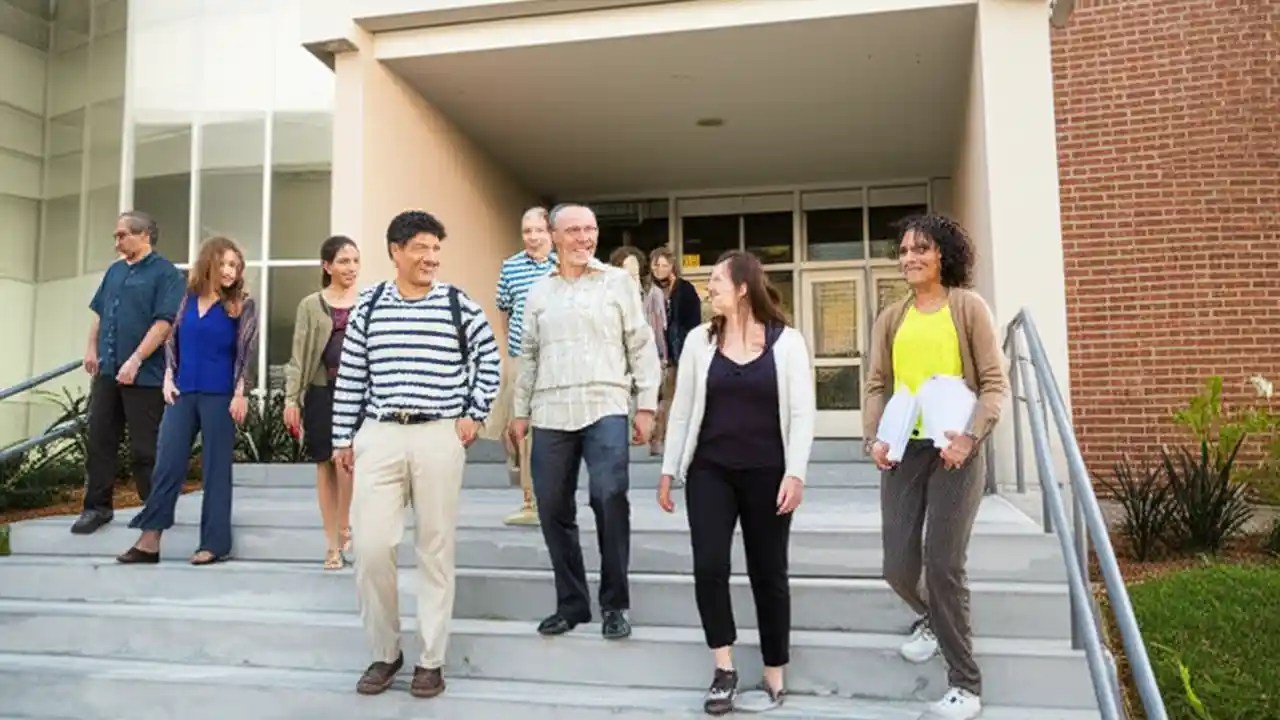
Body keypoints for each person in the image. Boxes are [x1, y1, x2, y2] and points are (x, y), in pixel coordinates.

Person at [331, 210, 501, 700]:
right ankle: (386, 652)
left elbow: (488, 359)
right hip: (380, 433)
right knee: (370, 547)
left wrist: (474, 413)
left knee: (435, 549)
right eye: (421, 248)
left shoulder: (457, 303)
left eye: (436, 249)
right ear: (396, 251)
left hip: (438, 434)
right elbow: (352, 374)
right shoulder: (369, 305)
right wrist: (343, 438)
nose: (431, 258)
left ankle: (431, 660)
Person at [862, 214, 1008, 720]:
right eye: (904, 251)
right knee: (898, 568)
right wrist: (873, 439)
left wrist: (970, 438)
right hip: (905, 450)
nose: (909, 258)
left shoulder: (968, 308)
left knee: (944, 564)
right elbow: (876, 383)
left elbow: (994, 383)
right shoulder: (891, 317)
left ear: (943, 254)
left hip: (956, 451)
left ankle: (965, 683)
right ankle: (931, 617)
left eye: (920, 249)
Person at [656, 250, 814, 715]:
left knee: (769, 572)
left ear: (744, 288)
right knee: (709, 566)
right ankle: (723, 668)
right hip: (710, 471)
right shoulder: (699, 341)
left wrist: (796, 472)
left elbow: (803, 414)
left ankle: (773, 671)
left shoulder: (787, 343)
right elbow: (682, 409)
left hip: (769, 473)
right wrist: (669, 469)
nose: (709, 288)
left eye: (717, 281)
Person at [509, 203, 662, 641]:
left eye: (590, 229)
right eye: (573, 230)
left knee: (609, 496)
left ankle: (615, 604)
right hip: (551, 409)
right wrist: (520, 411)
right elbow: (529, 354)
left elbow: (640, 344)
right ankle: (572, 603)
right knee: (552, 506)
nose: (584, 238)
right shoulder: (539, 292)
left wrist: (646, 405)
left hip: (605, 403)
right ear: (555, 237)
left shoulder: (617, 283)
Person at [115, 236, 258, 565]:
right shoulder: (187, 298)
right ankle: (149, 541)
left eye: (235, 266)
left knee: (216, 470)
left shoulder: (242, 305)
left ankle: (214, 544)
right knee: (167, 465)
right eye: (224, 264)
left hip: (220, 396)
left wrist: (240, 393)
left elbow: (247, 352)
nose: (230, 271)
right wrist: (168, 377)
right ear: (208, 263)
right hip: (182, 393)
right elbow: (172, 342)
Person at [72, 210, 185, 535]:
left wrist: (136, 360)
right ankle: (96, 508)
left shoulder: (166, 274)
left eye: (122, 235)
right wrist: (91, 349)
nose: (117, 242)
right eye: (116, 236)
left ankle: (155, 509)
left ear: (144, 235)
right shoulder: (115, 271)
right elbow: (100, 312)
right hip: (108, 372)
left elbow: (164, 323)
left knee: (145, 448)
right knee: (100, 440)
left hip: (145, 376)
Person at [282, 235, 362, 570]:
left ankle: (346, 528)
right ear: (327, 266)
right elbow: (298, 356)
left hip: (358, 395)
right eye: (343, 261)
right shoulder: (310, 305)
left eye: (355, 261)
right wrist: (291, 399)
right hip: (320, 392)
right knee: (325, 464)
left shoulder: (368, 302)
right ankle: (332, 544)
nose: (351, 267)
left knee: (350, 463)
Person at [489, 207, 557, 527]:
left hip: (555, 360)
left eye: (538, 231)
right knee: (518, 430)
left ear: (550, 233)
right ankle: (528, 498)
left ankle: (548, 496)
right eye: (526, 231)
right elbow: (504, 311)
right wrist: (511, 351)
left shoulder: (562, 266)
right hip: (520, 358)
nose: (532, 237)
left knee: (550, 430)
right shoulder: (511, 267)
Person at [649, 246, 702, 456]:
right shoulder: (651, 291)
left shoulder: (684, 289)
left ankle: (663, 439)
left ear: (672, 266)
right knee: (660, 397)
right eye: (656, 265)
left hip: (678, 353)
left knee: (671, 396)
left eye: (664, 265)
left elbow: (692, 322)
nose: (659, 269)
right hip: (657, 351)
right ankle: (657, 438)